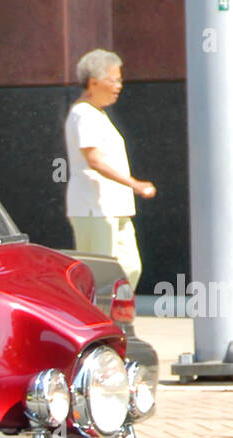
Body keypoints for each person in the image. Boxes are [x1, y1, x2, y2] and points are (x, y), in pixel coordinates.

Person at [64, 49, 156, 289]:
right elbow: (93, 160)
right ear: (93, 83)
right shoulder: (82, 114)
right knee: (99, 276)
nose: (119, 86)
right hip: (93, 207)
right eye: (113, 80)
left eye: (120, 80)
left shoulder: (97, 114)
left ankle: (116, 319)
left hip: (115, 207)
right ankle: (99, 321)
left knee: (129, 268)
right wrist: (135, 184)